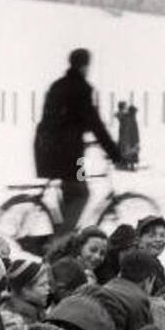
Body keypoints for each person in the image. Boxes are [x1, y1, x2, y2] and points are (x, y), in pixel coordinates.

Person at [33, 48, 125, 235]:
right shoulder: (81, 88)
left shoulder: (58, 85)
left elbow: (67, 119)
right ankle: (61, 242)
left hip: (48, 147)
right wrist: (114, 152)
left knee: (72, 193)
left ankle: (63, 233)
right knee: (82, 193)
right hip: (68, 155)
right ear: (84, 66)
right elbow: (94, 123)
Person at [134, 215, 165, 293]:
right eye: (151, 236)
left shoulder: (157, 265)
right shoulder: (135, 264)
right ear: (138, 240)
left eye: (162, 235)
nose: (158, 240)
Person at [116, 101, 140, 167]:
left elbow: (134, 130)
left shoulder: (129, 117)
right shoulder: (128, 118)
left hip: (128, 137)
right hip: (127, 137)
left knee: (129, 150)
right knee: (128, 150)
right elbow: (132, 129)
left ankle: (127, 163)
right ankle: (125, 163)